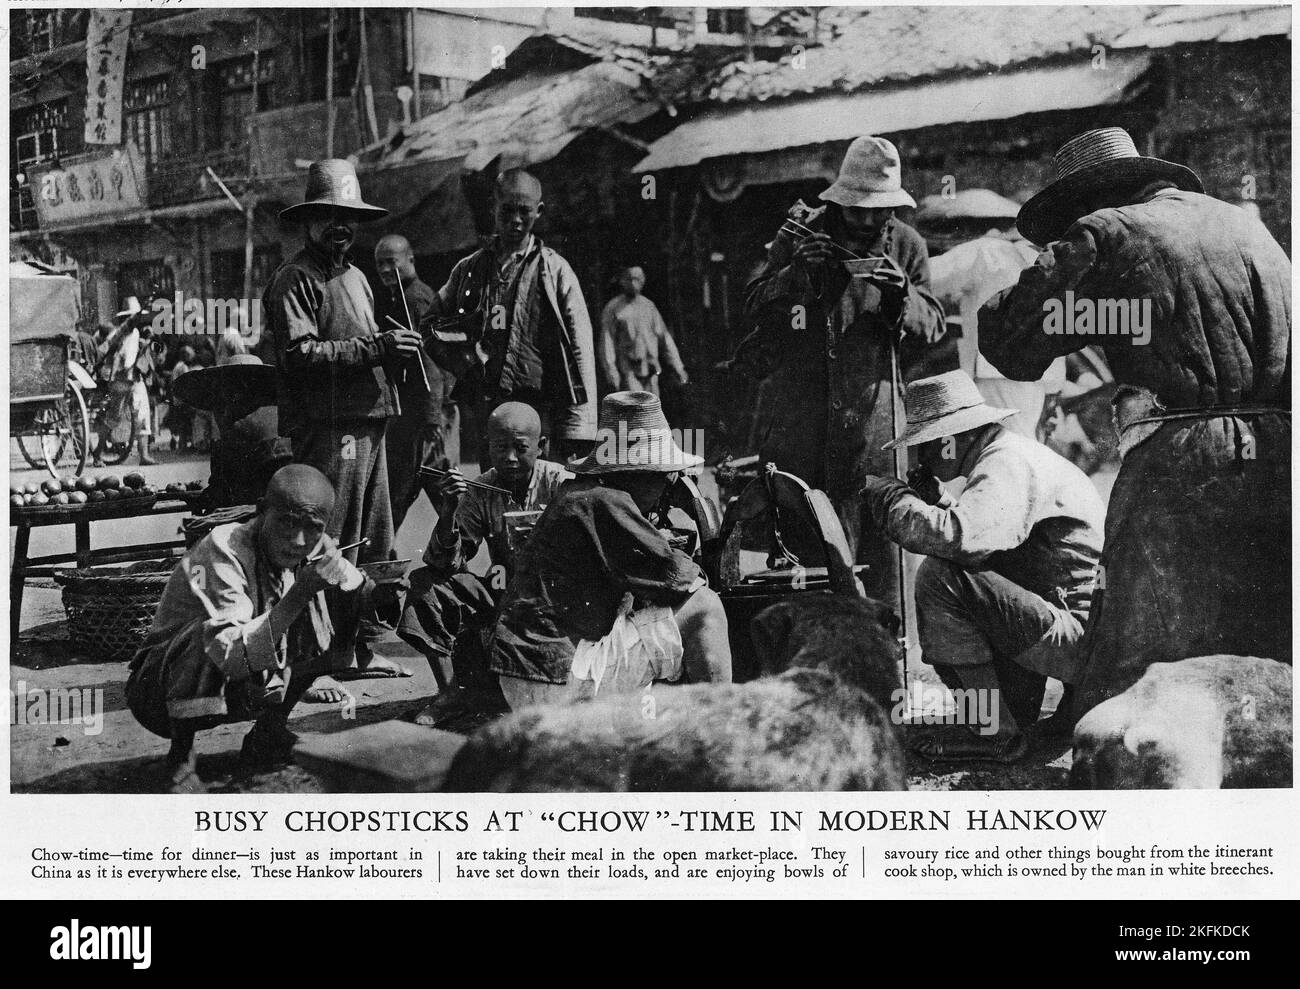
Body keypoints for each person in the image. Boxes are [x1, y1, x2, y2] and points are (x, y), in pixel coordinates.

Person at [979, 127, 1291, 725]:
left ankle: (1126, 783)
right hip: (1281, 450)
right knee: (1263, 640)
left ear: (1089, 198)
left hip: (1181, 456)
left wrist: (1048, 267)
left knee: (1142, 647)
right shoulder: (1249, 227)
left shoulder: (1105, 233)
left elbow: (1013, 344)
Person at [737, 135, 947, 612]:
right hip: (804, 417)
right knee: (810, 541)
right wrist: (793, 274)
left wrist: (902, 296)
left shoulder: (908, 244)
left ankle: (887, 660)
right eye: (858, 211)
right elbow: (752, 306)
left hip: (875, 426)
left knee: (880, 545)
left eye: (881, 211)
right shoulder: (799, 233)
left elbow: (933, 326)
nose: (870, 220)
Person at [861, 371, 1105, 761]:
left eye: (923, 446)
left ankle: (993, 734)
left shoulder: (1006, 461)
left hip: (1075, 642)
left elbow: (959, 542)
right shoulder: (1008, 453)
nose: (919, 458)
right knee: (957, 575)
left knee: (940, 577)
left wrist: (891, 499)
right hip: (1068, 631)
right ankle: (1001, 723)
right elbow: (997, 541)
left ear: (947, 441)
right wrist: (939, 503)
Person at [125, 465, 377, 792]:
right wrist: (300, 593)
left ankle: (269, 731)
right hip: (158, 692)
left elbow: (353, 589)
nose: (297, 540)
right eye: (287, 521)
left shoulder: (311, 545)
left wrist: (361, 591)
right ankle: (181, 755)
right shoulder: (223, 548)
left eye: (312, 527)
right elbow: (230, 654)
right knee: (210, 632)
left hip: (244, 675)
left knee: (331, 604)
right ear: (261, 511)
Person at [264, 158, 419, 680]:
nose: (340, 227)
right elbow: (301, 355)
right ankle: (314, 662)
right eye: (329, 216)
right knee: (327, 541)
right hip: (331, 429)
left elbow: (364, 342)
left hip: (371, 421)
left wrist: (393, 350)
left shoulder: (356, 276)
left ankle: (357, 648)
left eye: (347, 217)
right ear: (309, 221)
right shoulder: (295, 280)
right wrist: (376, 347)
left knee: (374, 542)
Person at [488, 391, 731, 711]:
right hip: (555, 681)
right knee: (705, 608)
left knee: (640, 612)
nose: (666, 486)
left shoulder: (578, 494)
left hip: (527, 674)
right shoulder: (607, 502)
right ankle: (721, 726)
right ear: (639, 473)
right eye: (663, 477)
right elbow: (686, 579)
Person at [398, 401, 571, 725]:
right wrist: (449, 511)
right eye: (500, 447)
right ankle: (450, 693)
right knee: (424, 585)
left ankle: (501, 688)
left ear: (541, 446)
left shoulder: (562, 484)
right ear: (487, 446)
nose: (510, 458)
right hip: (505, 592)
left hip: (556, 599)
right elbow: (443, 564)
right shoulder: (481, 490)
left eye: (520, 448)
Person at [421, 168, 597, 471]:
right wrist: (465, 363)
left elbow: (580, 346)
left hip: (541, 407)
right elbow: (430, 326)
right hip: (490, 408)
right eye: (507, 211)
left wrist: (579, 428)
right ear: (493, 208)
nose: (515, 220)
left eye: (524, 211)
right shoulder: (470, 269)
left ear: (538, 212)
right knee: (493, 491)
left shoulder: (554, 270)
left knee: (540, 494)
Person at [373, 233, 461, 534]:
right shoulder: (405, 298)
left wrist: (430, 420)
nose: (385, 270)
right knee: (405, 490)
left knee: (432, 490)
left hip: (427, 416)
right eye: (379, 264)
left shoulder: (415, 299)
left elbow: (431, 364)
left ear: (410, 260)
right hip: (419, 415)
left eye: (391, 262)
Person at [599, 266, 688, 397]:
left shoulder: (649, 307)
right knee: (635, 410)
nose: (633, 284)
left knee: (651, 412)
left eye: (637, 279)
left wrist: (678, 366)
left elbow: (664, 338)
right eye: (629, 279)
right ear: (622, 281)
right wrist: (611, 371)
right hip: (629, 370)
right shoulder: (614, 308)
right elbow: (607, 342)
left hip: (651, 369)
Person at [94, 297, 158, 466]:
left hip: (135, 378)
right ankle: (97, 453)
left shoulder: (136, 334)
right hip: (121, 378)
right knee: (113, 417)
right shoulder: (121, 333)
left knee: (142, 415)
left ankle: (144, 455)